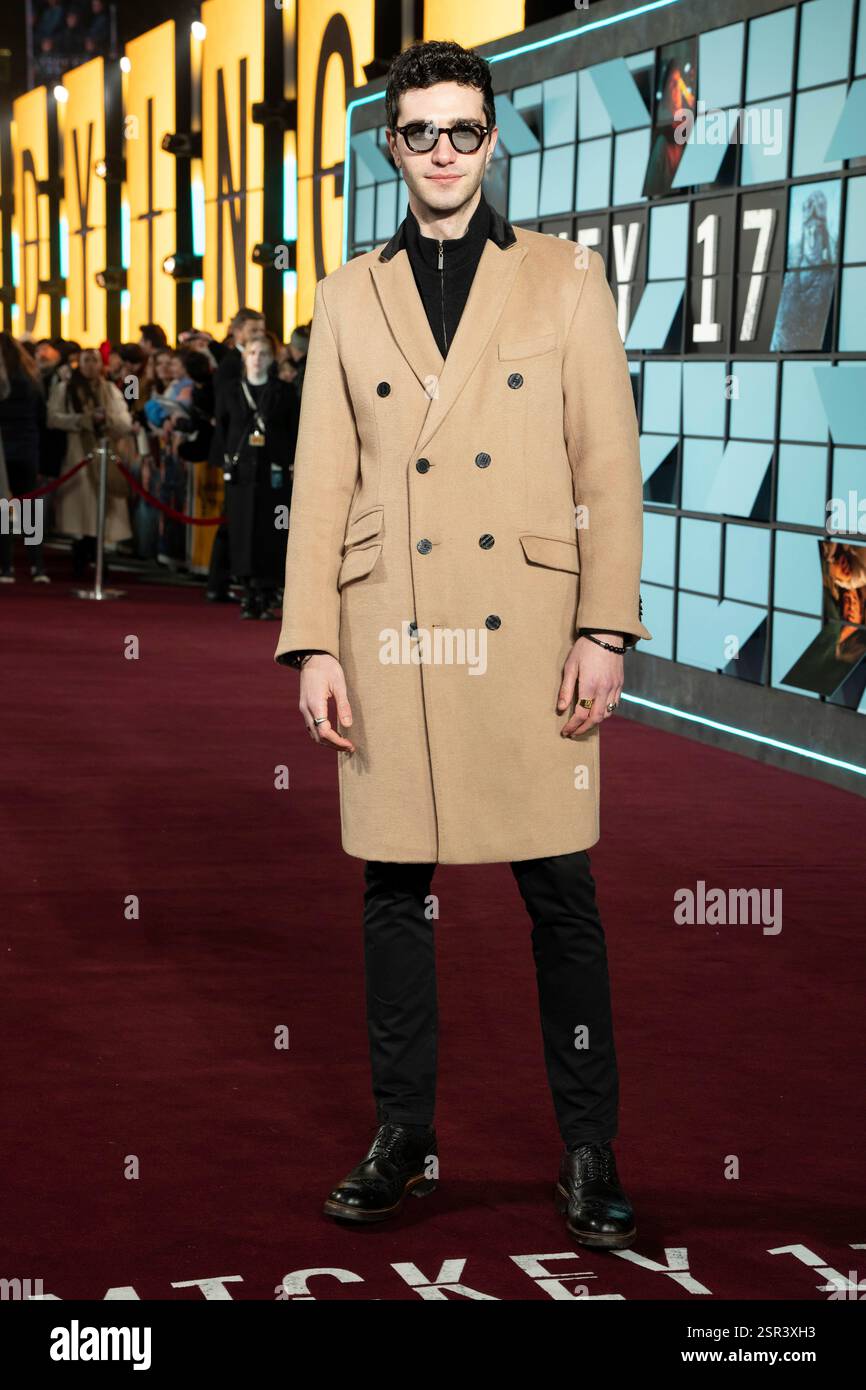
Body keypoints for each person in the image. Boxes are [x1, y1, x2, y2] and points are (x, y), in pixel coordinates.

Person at [272, 39, 652, 1248]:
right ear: (390, 145)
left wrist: (603, 625)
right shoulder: (345, 293)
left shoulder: (565, 279)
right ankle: (404, 1131)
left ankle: (588, 1146)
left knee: (563, 895)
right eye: (420, 132)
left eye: (464, 131)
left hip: (530, 632)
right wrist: (311, 641)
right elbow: (321, 478)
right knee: (393, 892)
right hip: (391, 632)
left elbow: (606, 465)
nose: (443, 152)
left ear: (493, 140)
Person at [223, 335, 297, 619]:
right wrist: (225, 462)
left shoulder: (284, 392)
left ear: (272, 359)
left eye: (264, 353)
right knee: (242, 531)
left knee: (272, 530)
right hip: (242, 473)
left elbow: (293, 430)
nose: (258, 358)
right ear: (245, 357)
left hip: (273, 471)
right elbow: (224, 429)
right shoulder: (232, 391)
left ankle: (267, 592)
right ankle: (248, 591)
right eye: (253, 352)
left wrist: (290, 462)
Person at [47, 346, 135, 579]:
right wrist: (82, 420)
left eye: (94, 361)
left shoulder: (111, 390)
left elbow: (126, 420)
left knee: (102, 508)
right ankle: (81, 552)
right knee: (81, 511)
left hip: (105, 454)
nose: (90, 366)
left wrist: (107, 419)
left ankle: (97, 554)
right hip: (77, 456)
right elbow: (53, 418)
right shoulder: (64, 389)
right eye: (86, 361)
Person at [206, 308, 266, 603]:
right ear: (239, 331)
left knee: (239, 517)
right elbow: (223, 411)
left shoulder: (249, 359)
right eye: (253, 330)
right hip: (235, 452)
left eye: (261, 330)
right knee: (232, 518)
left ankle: (227, 579)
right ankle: (219, 581)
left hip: (249, 454)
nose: (259, 336)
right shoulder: (231, 363)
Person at [0, 333, 48, 583]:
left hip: (3, 449)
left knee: (3, 509)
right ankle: (37, 566)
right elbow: (42, 416)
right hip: (27, 446)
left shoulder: (4, 382)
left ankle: (6, 566)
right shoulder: (30, 378)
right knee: (29, 508)